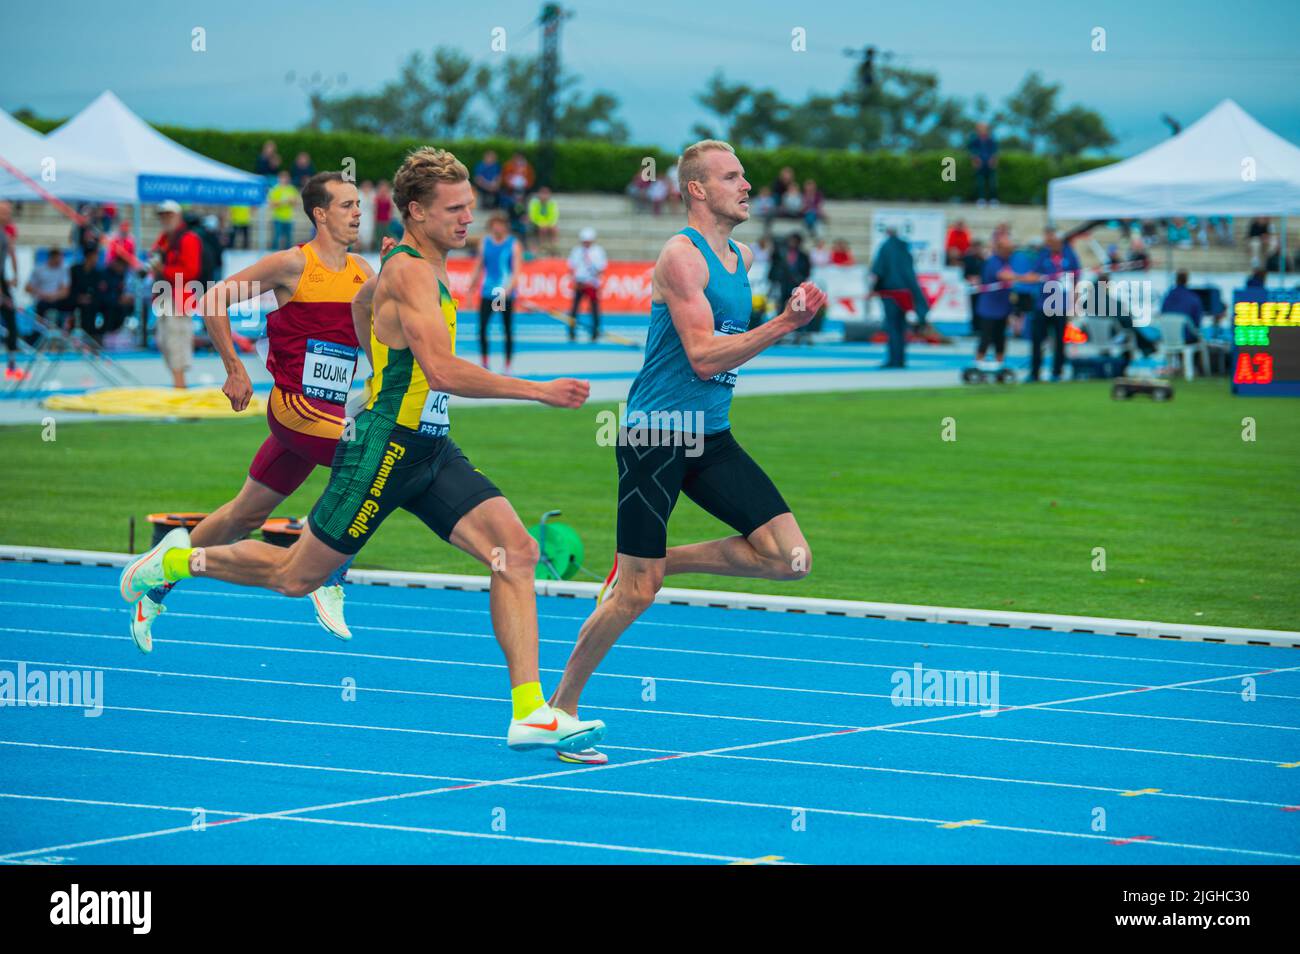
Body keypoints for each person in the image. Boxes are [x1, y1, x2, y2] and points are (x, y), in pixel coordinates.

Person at [119, 147, 605, 757]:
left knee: (516, 551)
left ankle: (530, 712)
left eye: (470, 208)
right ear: (415, 211)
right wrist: (538, 390)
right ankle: (175, 563)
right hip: (381, 449)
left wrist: (373, 366)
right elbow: (443, 370)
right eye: (454, 210)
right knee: (295, 576)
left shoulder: (400, 269)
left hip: (429, 449)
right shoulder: (406, 271)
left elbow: (360, 305)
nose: (467, 221)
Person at [547, 140, 826, 765]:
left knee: (791, 560)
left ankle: (653, 562)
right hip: (656, 436)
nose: (747, 185)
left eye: (746, 175)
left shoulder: (742, 255)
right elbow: (702, 356)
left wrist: (782, 319)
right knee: (634, 596)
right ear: (698, 190)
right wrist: (782, 324)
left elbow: (719, 349)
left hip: (712, 436)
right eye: (733, 177)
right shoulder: (681, 256)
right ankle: (558, 712)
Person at [129, 171, 376, 653]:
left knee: (242, 515)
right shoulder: (290, 265)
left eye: (358, 205)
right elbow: (212, 299)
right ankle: (329, 573)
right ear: (320, 214)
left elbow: (378, 334)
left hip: (327, 415)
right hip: (293, 408)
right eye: (347, 205)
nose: (357, 213)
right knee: (370, 460)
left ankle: (156, 583)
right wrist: (234, 369)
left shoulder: (365, 273)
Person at [150, 200, 204, 389]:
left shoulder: (188, 238)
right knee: (165, 342)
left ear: (178, 216)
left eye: (168, 215)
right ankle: (178, 386)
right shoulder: (165, 239)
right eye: (163, 215)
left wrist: (163, 269)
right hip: (165, 297)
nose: (165, 219)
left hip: (179, 297)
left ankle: (180, 388)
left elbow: (191, 271)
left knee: (176, 343)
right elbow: (154, 260)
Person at [974, 231, 1036, 370]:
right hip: (989, 307)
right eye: (1008, 250)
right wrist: (1024, 278)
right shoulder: (993, 261)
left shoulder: (1008, 261)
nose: (1010, 252)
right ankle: (978, 363)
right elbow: (1003, 276)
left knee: (1000, 337)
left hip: (1003, 306)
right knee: (986, 337)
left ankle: (999, 364)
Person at [870, 226, 929, 368]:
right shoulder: (905, 249)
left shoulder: (885, 247)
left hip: (891, 293)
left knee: (892, 326)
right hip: (905, 293)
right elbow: (910, 273)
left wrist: (875, 288)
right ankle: (901, 358)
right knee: (901, 326)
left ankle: (893, 359)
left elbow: (879, 270)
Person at [470, 212, 522, 373]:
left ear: (505, 227)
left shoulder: (513, 244)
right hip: (488, 292)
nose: (497, 228)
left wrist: (508, 290)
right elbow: (478, 266)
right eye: (495, 224)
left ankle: (507, 365)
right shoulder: (485, 243)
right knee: (483, 328)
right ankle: (485, 362)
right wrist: (471, 289)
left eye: (500, 224)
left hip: (504, 292)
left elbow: (516, 271)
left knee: (506, 330)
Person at [1028, 228, 1081, 382]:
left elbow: (1076, 280)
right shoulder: (1043, 254)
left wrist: (1075, 303)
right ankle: (1034, 372)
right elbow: (1034, 274)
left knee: (1059, 341)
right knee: (1037, 340)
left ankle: (1057, 371)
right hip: (1042, 304)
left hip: (1061, 305)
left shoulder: (1069, 255)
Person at [567, 226, 607, 342]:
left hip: (592, 284)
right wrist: (575, 280)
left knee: (594, 309)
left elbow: (601, 268)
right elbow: (572, 267)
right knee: (574, 309)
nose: (586, 243)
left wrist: (592, 279)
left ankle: (595, 332)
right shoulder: (576, 251)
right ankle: (571, 331)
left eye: (588, 241)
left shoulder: (598, 251)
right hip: (580, 283)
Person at [0, 202, 21, 379]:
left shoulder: (6, 233)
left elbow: (12, 252)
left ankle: (12, 364)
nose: (9, 215)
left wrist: (15, 275)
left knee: (11, 321)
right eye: (5, 212)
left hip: (2, 280)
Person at [25, 247, 70, 323]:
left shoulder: (63, 270)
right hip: (42, 300)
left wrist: (54, 296)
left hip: (57, 300)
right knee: (41, 306)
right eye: (59, 258)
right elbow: (27, 288)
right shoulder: (39, 270)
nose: (61, 261)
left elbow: (65, 291)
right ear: (52, 258)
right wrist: (42, 294)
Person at [968, 122, 999, 206]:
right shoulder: (974, 140)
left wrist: (993, 160)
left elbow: (995, 151)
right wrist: (975, 160)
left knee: (992, 183)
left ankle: (993, 199)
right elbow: (972, 151)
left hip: (989, 165)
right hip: (980, 165)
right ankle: (981, 199)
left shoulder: (991, 139)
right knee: (980, 183)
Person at [269, 171, 299, 250]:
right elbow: (272, 204)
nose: (284, 180)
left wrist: (292, 201)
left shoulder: (291, 189)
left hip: (288, 218)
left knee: (288, 240)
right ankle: (273, 254)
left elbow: (296, 203)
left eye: (286, 178)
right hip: (278, 218)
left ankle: (288, 256)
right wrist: (284, 201)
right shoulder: (275, 189)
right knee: (276, 238)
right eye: (282, 178)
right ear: (279, 179)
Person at [962, 239, 986, 335]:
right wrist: (971, 278)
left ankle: (981, 327)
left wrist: (980, 279)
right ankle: (974, 327)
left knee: (982, 307)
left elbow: (986, 273)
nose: (977, 250)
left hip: (982, 287)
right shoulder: (968, 259)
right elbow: (965, 273)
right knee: (973, 307)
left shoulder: (984, 260)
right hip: (972, 287)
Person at [526, 185, 559, 255]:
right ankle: (543, 245)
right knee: (542, 228)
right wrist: (540, 223)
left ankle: (554, 246)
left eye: (546, 194)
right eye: (543, 194)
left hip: (547, 223)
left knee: (554, 228)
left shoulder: (552, 203)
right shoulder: (534, 203)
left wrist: (548, 223)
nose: (544, 196)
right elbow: (532, 216)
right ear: (539, 194)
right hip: (537, 223)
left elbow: (554, 216)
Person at [373, 180, 394, 251]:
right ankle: (378, 249)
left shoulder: (388, 198)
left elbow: (391, 210)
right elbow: (374, 210)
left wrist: (390, 218)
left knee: (387, 235)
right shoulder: (377, 198)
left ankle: (387, 249)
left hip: (386, 220)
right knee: (379, 236)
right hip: (378, 220)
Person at [356, 180, 376, 252]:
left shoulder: (373, 195)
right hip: (361, 218)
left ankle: (369, 253)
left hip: (370, 219)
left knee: (369, 237)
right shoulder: (359, 195)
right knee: (359, 237)